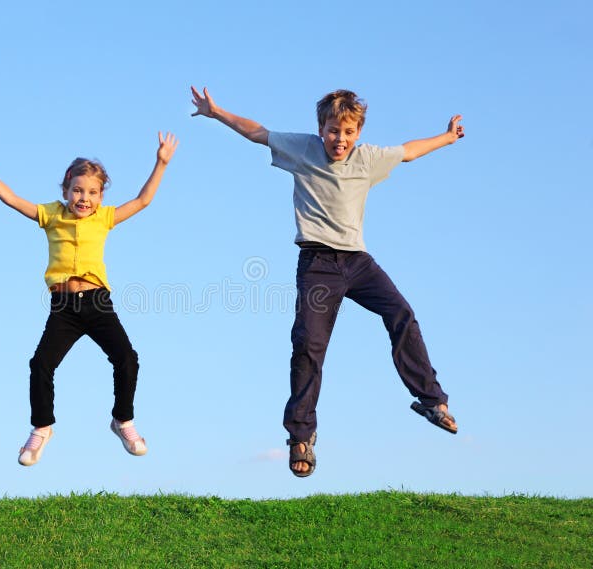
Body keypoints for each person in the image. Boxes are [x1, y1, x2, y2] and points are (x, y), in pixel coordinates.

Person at [191, 86, 464, 477]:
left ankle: (431, 399)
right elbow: (257, 132)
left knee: (401, 312)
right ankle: (301, 437)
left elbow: (409, 150)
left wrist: (447, 137)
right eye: (334, 130)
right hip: (317, 262)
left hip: (358, 262)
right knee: (308, 344)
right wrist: (217, 113)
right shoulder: (303, 149)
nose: (341, 139)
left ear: (359, 133)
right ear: (321, 129)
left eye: (349, 132)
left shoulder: (369, 158)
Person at [0, 132, 179, 466]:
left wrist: (161, 162)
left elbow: (142, 200)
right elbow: (12, 199)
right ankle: (42, 428)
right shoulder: (51, 215)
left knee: (127, 359)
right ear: (65, 191)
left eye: (91, 192)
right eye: (77, 190)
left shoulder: (104, 218)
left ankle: (123, 421)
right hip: (64, 309)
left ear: (101, 196)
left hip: (98, 303)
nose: (83, 198)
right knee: (41, 364)